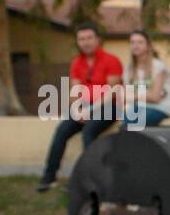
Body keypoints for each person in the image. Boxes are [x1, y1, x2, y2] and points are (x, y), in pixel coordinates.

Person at [36, 22, 123, 191]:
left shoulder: (111, 60)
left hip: (109, 107)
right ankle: (49, 177)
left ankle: (89, 180)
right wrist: (77, 109)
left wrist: (90, 110)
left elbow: (112, 92)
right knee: (62, 131)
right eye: (81, 39)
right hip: (85, 107)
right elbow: (75, 91)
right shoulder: (77, 63)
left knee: (88, 131)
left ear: (98, 39)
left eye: (89, 38)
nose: (86, 42)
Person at [121, 29, 170, 131]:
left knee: (132, 123)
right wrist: (146, 94)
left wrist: (135, 95)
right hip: (137, 108)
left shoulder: (158, 66)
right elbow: (125, 97)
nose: (136, 46)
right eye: (132, 42)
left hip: (159, 108)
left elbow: (155, 98)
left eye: (140, 42)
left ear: (148, 46)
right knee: (126, 123)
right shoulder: (128, 69)